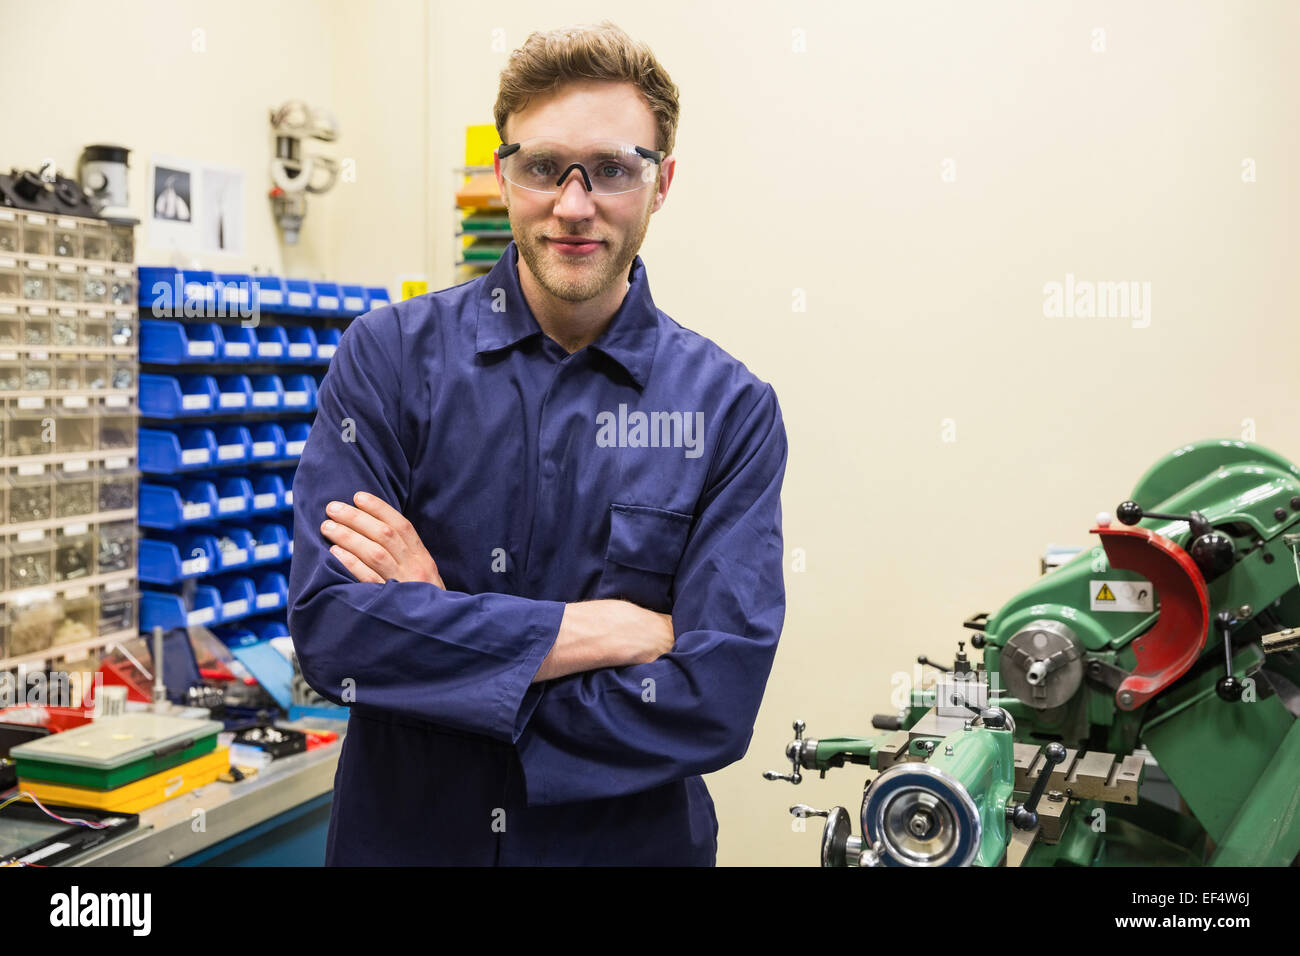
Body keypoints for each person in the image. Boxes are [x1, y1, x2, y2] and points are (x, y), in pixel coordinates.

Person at [287, 21, 788, 865]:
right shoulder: (388, 359)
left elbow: (713, 698)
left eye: (615, 170)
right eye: (545, 167)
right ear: (504, 174)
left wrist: (445, 636)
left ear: (661, 183)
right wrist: (605, 631)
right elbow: (335, 632)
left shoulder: (730, 411)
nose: (575, 204)